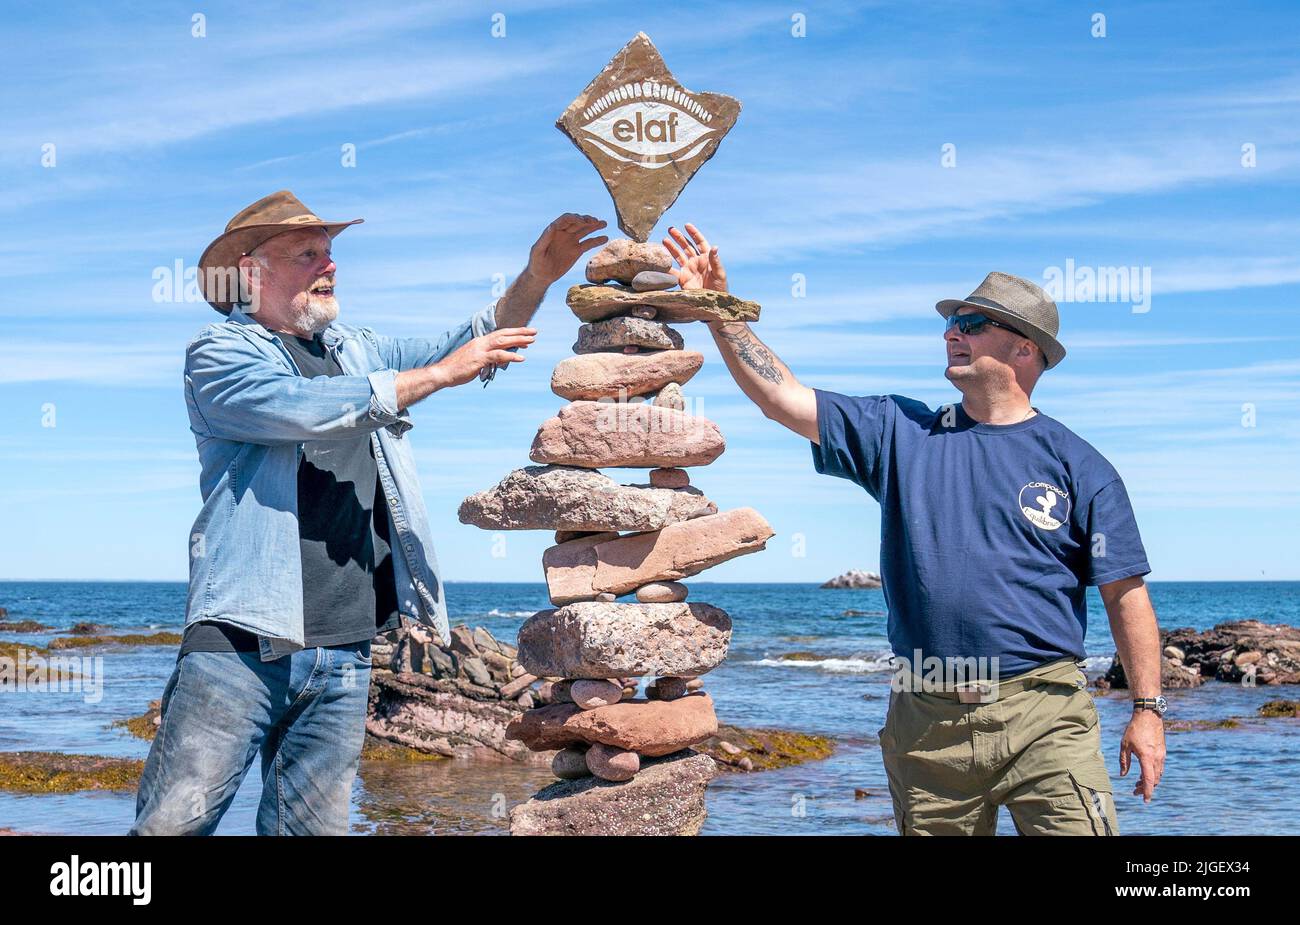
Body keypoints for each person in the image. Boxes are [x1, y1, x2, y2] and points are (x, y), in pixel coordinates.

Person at [663, 223, 1165, 835]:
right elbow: (782, 399)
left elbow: (1125, 594)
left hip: (1047, 714)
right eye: (952, 323)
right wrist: (721, 312)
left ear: (1025, 349)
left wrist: (1146, 710)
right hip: (925, 719)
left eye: (975, 324)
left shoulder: (1081, 466)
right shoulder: (902, 432)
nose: (953, 332)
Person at [131, 190, 606, 835]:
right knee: (170, 828)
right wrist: (438, 375)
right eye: (306, 254)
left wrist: (536, 278)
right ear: (250, 272)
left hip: (347, 651)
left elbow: (474, 343)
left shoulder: (357, 349)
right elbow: (302, 407)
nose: (328, 266)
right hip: (239, 646)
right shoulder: (218, 355)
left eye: (329, 253)